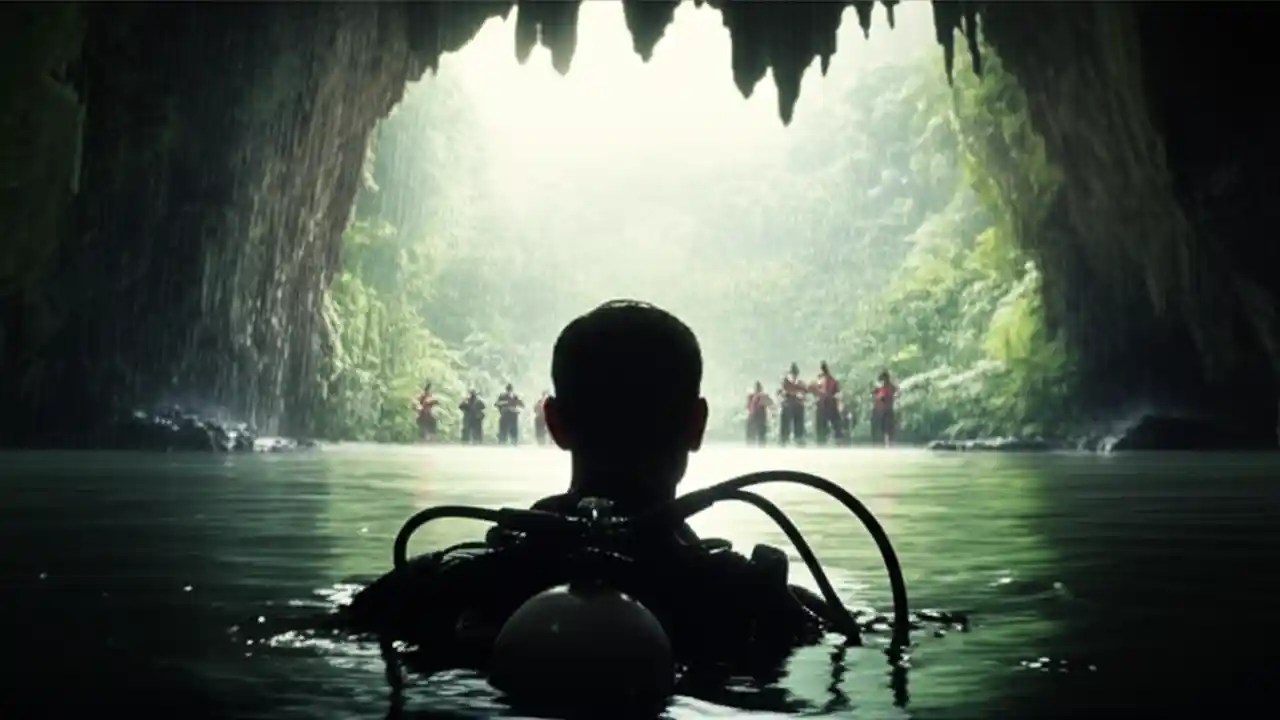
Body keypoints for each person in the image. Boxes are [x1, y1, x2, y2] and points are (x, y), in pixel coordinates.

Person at [813, 361, 843, 446]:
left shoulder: (822, 380)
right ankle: (836, 440)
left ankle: (824, 441)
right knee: (835, 425)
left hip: (825, 405)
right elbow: (837, 393)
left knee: (826, 426)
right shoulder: (831, 380)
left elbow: (837, 393)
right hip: (828, 404)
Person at [778, 363, 807, 446]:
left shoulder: (800, 383)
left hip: (797, 406)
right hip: (788, 405)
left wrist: (800, 395)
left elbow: (804, 393)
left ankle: (799, 439)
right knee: (785, 425)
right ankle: (784, 439)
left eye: (795, 374)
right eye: (793, 373)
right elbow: (781, 393)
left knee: (799, 425)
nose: (794, 375)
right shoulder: (785, 382)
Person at [871, 370, 898, 447]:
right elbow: (874, 394)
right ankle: (887, 441)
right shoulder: (881, 387)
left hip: (887, 408)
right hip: (882, 409)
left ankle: (888, 441)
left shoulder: (890, 386)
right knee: (885, 425)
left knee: (888, 425)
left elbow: (897, 392)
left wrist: (894, 396)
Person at [745, 381, 773, 446]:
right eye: (757, 388)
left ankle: (761, 446)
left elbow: (770, 403)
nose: (758, 390)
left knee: (761, 437)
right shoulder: (751, 396)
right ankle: (750, 446)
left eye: (759, 388)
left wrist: (764, 400)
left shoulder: (764, 396)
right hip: (753, 417)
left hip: (761, 418)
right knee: (751, 437)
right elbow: (748, 406)